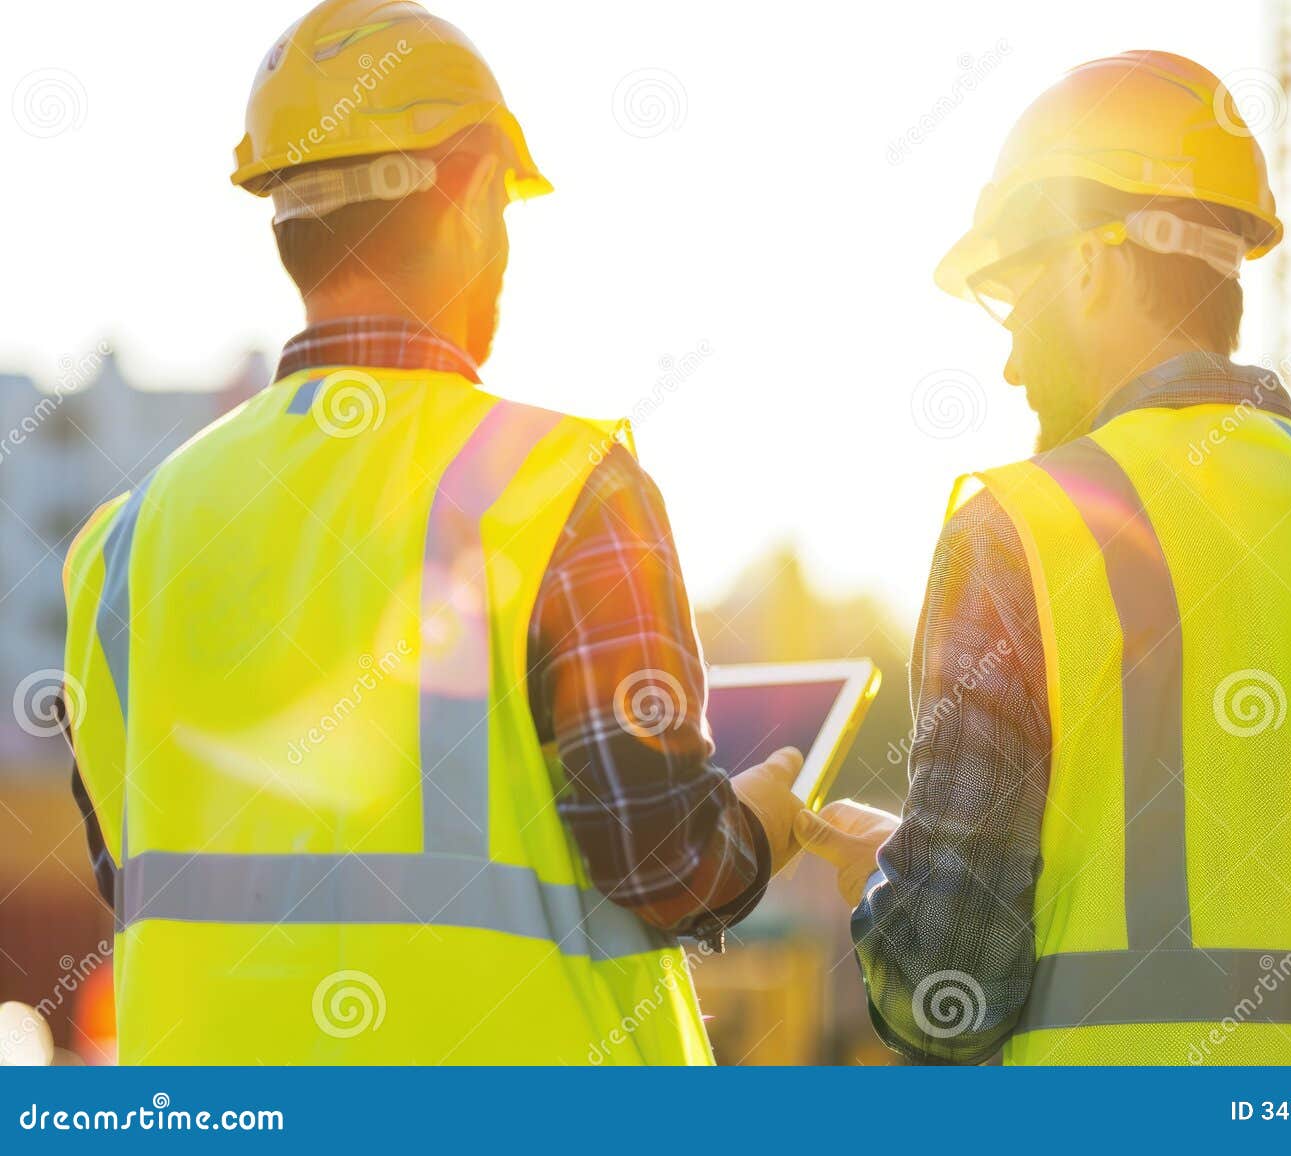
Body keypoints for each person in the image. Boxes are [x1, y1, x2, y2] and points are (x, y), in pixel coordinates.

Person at [796, 50, 1291, 1064]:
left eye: (1017, 297)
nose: (1006, 357)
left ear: (1089, 264)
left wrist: (898, 886)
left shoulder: (1026, 532)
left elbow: (941, 988)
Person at [59, 0, 801, 1064]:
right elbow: (667, 860)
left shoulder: (126, 543)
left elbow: (138, 870)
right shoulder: (561, 487)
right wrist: (769, 819)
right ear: (467, 190)